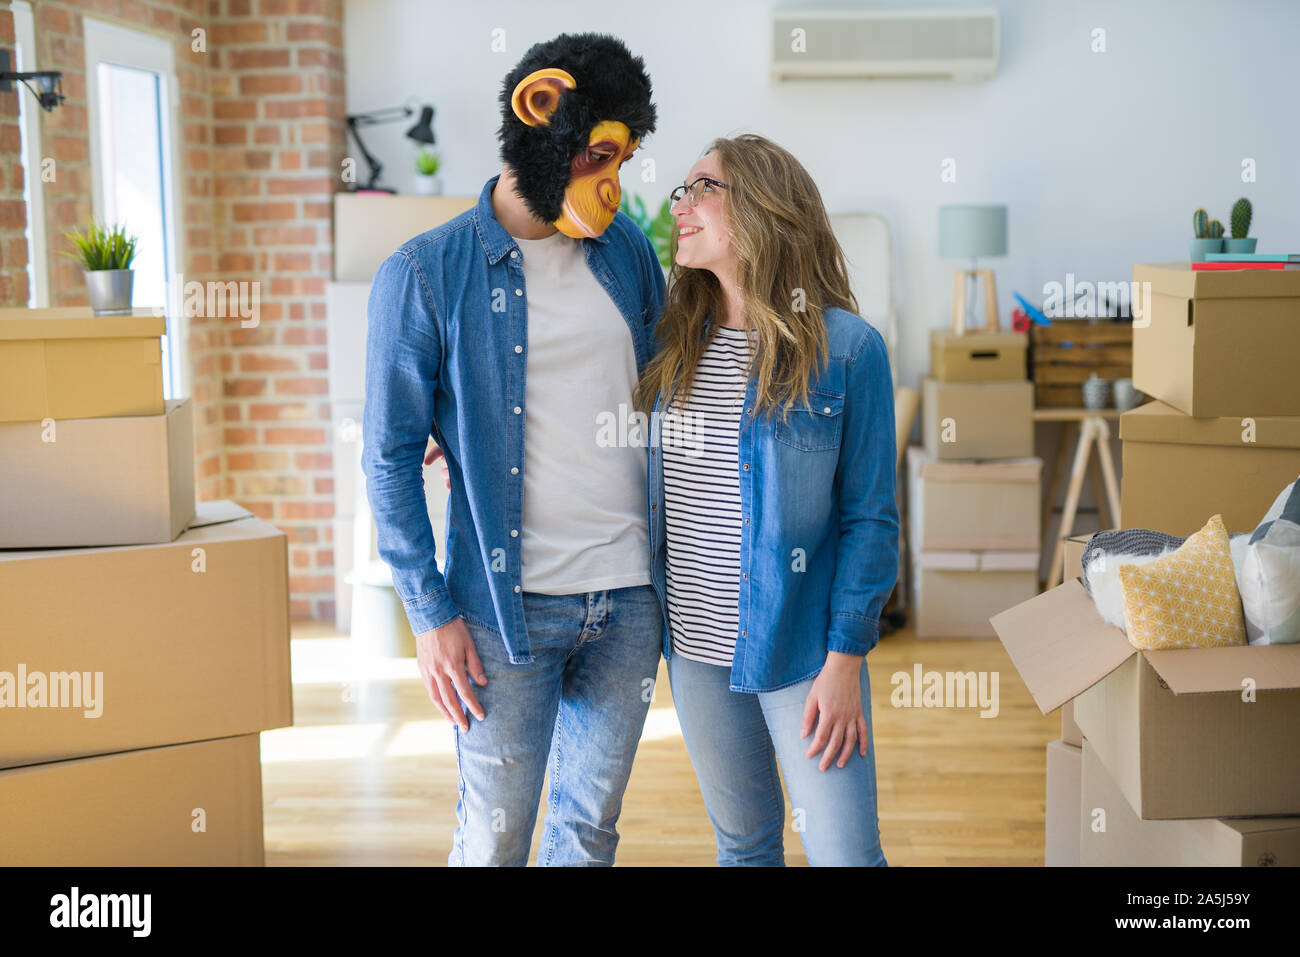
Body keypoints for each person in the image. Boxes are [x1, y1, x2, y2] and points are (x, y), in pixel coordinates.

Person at [363, 33, 665, 866]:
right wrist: (429, 616)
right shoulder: (425, 273)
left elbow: (663, 396)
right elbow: (387, 456)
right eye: (601, 154)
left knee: (587, 833)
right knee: (495, 836)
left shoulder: (628, 253)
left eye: (625, 157)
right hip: (503, 612)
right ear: (541, 116)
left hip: (628, 601)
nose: (613, 182)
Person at [634, 133, 899, 866]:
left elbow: (870, 520)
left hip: (804, 654)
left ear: (762, 207)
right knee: (746, 847)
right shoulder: (669, 343)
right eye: (680, 190)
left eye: (702, 188)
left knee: (846, 854)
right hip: (694, 650)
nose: (680, 205)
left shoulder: (847, 350)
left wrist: (845, 661)